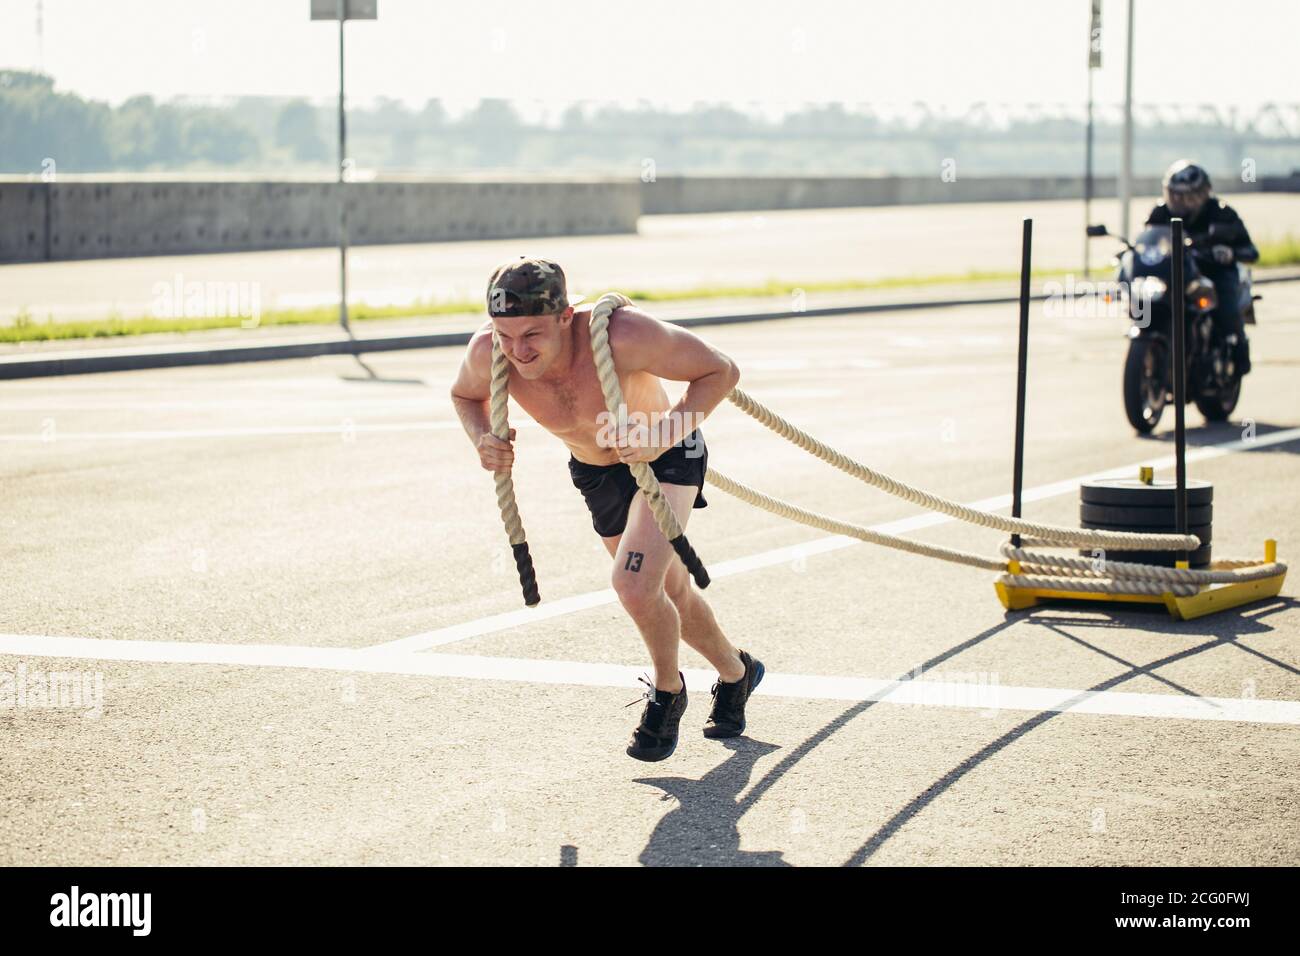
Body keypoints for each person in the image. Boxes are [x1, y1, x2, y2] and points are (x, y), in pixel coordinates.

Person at [450, 257, 764, 762]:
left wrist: (661, 434)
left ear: (564, 317)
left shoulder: (621, 334)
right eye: (505, 335)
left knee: (634, 585)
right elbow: (465, 396)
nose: (518, 351)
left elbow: (720, 370)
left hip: (666, 456)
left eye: (532, 334)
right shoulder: (490, 352)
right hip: (596, 471)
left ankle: (667, 693)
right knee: (669, 593)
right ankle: (737, 672)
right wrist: (482, 439)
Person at [1145, 159, 1258, 374]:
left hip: (1214, 271)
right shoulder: (1160, 213)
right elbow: (1147, 240)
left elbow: (1251, 251)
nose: (1180, 202)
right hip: (1175, 272)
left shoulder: (1222, 213)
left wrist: (1230, 252)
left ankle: (1238, 348)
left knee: (1225, 306)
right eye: (1175, 195)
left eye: (1188, 197)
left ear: (1203, 194)